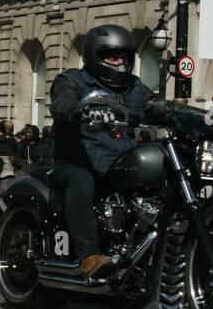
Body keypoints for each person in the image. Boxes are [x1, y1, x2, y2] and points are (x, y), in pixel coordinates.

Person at [46, 25, 147, 278]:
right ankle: (89, 255)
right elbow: (61, 103)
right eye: (114, 56)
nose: (121, 62)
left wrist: (191, 115)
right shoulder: (72, 80)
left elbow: (155, 104)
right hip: (76, 163)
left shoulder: (133, 86)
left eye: (125, 57)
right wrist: (79, 109)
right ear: (95, 56)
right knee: (81, 179)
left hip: (119, 164)